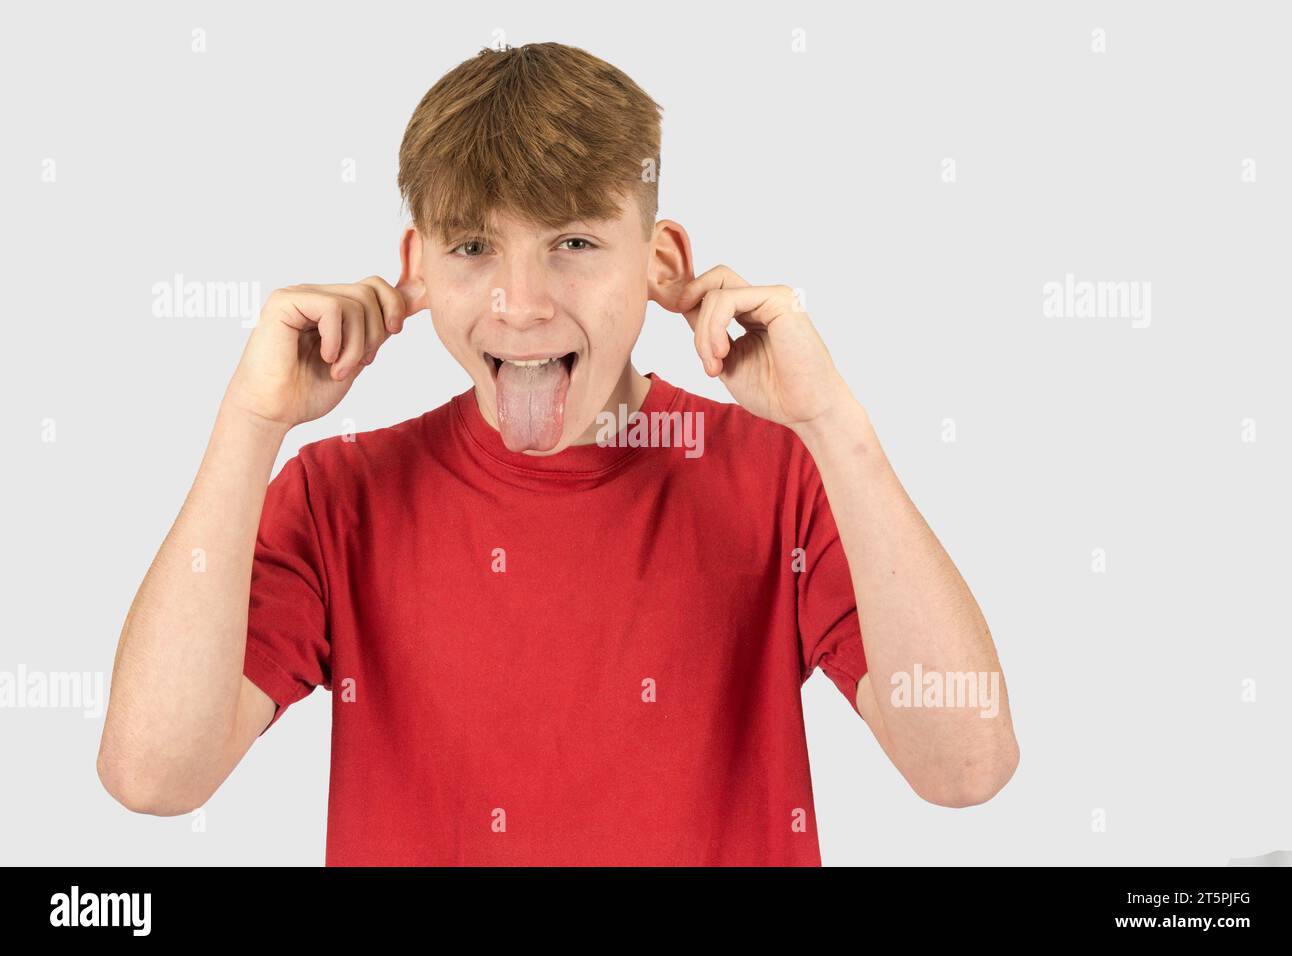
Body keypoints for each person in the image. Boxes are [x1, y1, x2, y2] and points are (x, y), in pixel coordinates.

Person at [98, 41, 1019, 866]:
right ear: (416, 267)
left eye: (574, 242)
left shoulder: (782, 477)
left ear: (661, 262)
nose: (522, 304)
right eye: (474, 248)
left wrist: (834, 425)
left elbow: (965, 767)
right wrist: (249, 422)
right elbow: (152, 777)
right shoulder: (341, 496)